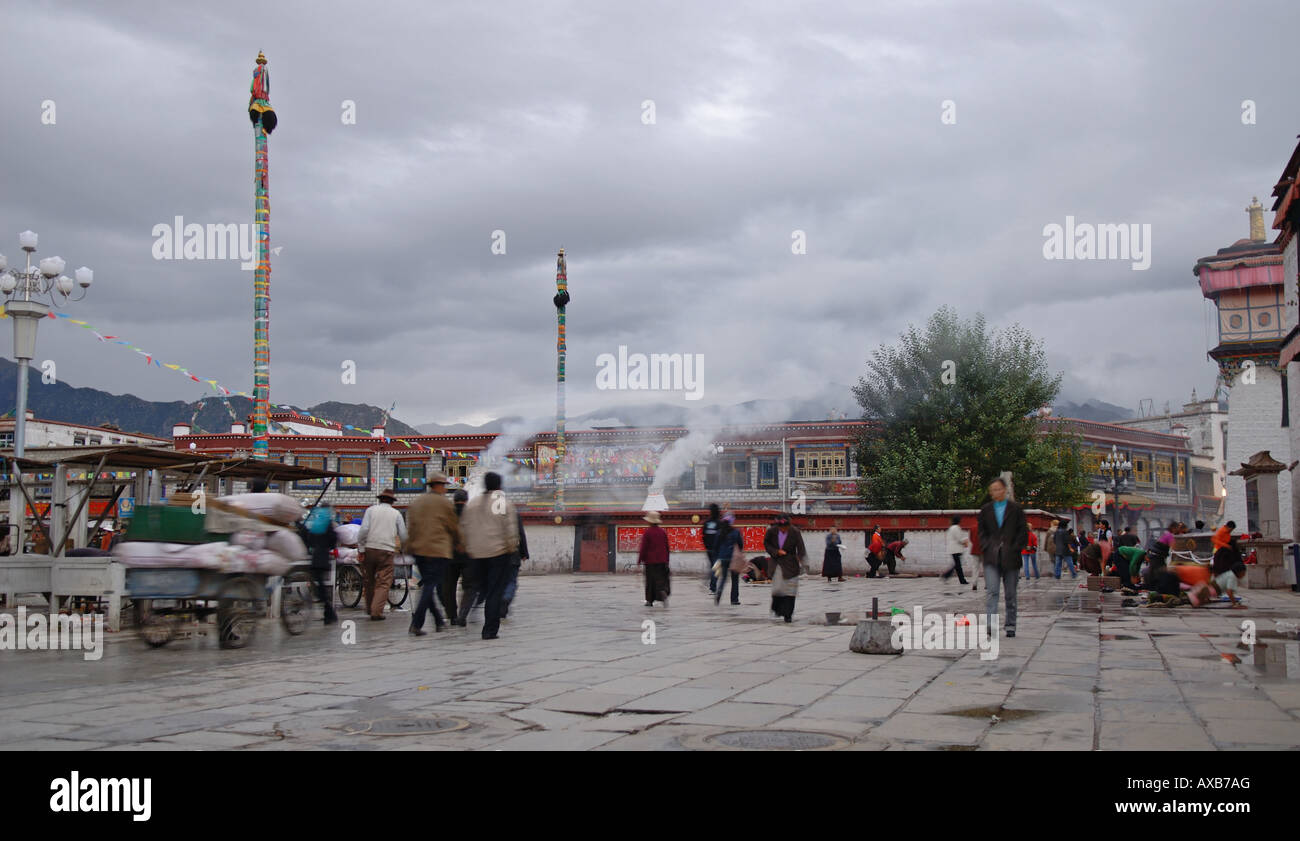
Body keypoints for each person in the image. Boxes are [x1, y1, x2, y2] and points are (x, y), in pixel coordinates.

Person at [459, 472, 519, 640]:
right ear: (499, 486)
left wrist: (467, 547)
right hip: (498, 553)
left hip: (476, 554)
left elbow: (463, 527)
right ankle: (489, 630)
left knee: (480, 588)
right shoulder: (502, 503)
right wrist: (511, 548)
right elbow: (511, 530)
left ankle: (468, 612)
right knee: (495, 592)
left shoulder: (473, 503)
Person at [405, 471, 461, 635]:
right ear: (439, 485)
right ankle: (416, 623)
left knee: (427, 584)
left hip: (418, 550)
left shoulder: (417, 502)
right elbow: (453, 527)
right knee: (429, 586)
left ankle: (438, 620)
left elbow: (412, 527)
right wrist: (459, 543)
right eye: (444, 486)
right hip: (437, 550)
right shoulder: (444, 504)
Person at [977, 477, 1028, 638]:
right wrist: (987, 545)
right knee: (992, 591)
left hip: (1011, 557)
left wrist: (1015, 547)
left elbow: (1023, 532)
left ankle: (1011, 625)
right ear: (990, 493)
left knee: (1010, 594)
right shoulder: (986, 510)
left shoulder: (1016, 509)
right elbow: (982, 532)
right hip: (991, 557)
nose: (996, 492)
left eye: (999, 488)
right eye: (993, 490)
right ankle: (991, 624)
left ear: (1005, 489)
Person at [357, 488, 406, 621]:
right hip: (387, 550)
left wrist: (361, 549)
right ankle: (376, 611)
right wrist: (403, 547)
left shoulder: (371, 510)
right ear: (392, 501)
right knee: (384, 582)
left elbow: (364, 530)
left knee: (369, 580)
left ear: (380, 500)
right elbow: (403, 534)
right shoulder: (396, 514)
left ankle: (369, 608)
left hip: (370, 549)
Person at [298, 503, 339, 625]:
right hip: (323, 557)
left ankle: (329, 613)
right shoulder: (327, 523)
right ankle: (329, 613)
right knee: (321, 587)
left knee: (319, 585)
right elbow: (333, 538)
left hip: (314, 556)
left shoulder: (314, 522)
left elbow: (308, 538)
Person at [764, 514, 809, 622]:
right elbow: (766, 544)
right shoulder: (771, 531)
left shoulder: (795, 532)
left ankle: (788, 615)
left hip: (791, 564)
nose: (783, 529)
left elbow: (801, 548)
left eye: (785, 527)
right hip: (777, 563)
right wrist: (776, 551)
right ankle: (777, 609)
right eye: (781, 527)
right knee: (778, 589)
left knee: (790, 591)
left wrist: (804, 562)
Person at [442, 488, 473, 625]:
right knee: (468, 587)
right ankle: (463, 614)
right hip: (468, 555)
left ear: (454, 500)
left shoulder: (447, 513)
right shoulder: (472, 513)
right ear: (466, 500)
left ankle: (452, 615)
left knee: (448, 587)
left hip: (449, 555)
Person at [638, 510, 671, 607]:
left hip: (650, 561)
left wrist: (640, 560)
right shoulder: (663, 532)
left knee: (650, 581)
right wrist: (667, 560)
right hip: (662, 561)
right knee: (661, 579)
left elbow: (643, 548)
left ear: (649, 521)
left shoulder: (647, 533)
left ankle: (649, 600)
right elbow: (667, 547)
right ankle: (663, 592)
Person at [501, 509, 528, 619]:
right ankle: (506, 598)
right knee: (511, 581)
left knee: (499, 581)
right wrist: (524, 553)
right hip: (513, 554)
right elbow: (521, 533)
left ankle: (501, 604)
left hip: (497, 554)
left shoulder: (490, 512)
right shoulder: (514, 513)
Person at [713, 511, 744, 605]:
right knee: (735, 579)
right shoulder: (736, 532)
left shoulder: (720, 532)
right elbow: (740, 545)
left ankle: (719, 593)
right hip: (733, 558)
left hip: (723, 558)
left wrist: (718, 555)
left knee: (723, 578)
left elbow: (715, 546)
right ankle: (734, 600)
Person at [943, 515, 970, 585]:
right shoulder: (956, 528)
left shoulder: (951, 528)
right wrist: (965, 542)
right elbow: (959, 538)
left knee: (957, 565)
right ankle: (960, 580)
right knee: (958, 566)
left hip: (953, 549)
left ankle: (947, 576)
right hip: (956, 549)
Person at [702, 503, 722, 594]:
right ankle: (713, 587)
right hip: (717, 549)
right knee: (716, 568)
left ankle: (711, 585)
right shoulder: (719, 523)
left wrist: (706, 546)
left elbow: (704, 536)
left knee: (713, 566)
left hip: (709, 549)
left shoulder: (706, 523)